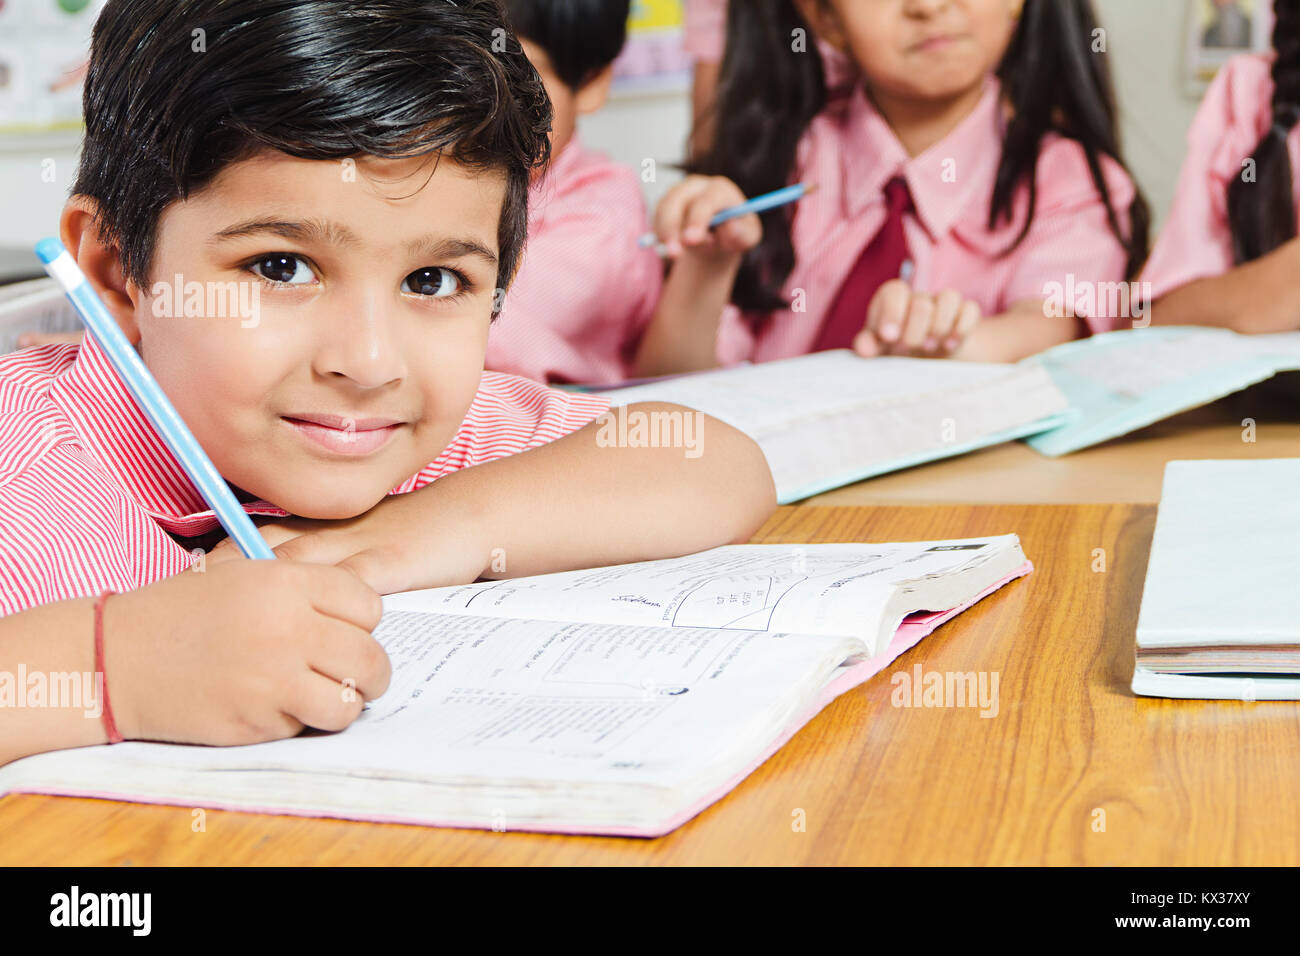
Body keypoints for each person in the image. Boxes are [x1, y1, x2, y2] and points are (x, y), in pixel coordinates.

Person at [0, 0, 776, 766]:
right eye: (282, 267)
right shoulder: (21, 456)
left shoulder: (411, 439)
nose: (370, 363)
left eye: (433, 280)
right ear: (112, 269)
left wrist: (430, 529)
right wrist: (113, 672)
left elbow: (718, 465)